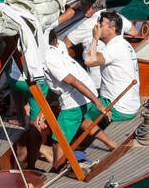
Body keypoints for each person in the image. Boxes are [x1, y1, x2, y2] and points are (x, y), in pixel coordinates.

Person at [34, 29, 119, 167]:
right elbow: (56, 84)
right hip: (86, 90)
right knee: (81, 121)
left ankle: (57, 168)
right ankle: (111, 143)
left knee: (58, 141)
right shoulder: (57, 48)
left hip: (75, 98)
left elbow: (72, 81)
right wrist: (43, 109)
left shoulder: (47, 58)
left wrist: (98, 103)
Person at [82, 11, 141, 123]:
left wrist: (95, 38)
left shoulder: (115, 47)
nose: (97, 27)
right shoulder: (123, 44)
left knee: (76, 115)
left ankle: (106, 141)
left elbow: (89, 61)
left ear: (112, 29)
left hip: (117, 107)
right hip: (129, 103)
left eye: (101, 25)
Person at [65, 0, 132, 87]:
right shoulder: (117, 18)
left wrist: (95, 38)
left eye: (83, 4)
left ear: (91, 7)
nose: (80, 7)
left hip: (97, 83)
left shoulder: (88, 25)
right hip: (115, 78)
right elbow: (134, 31)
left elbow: (65, 44)